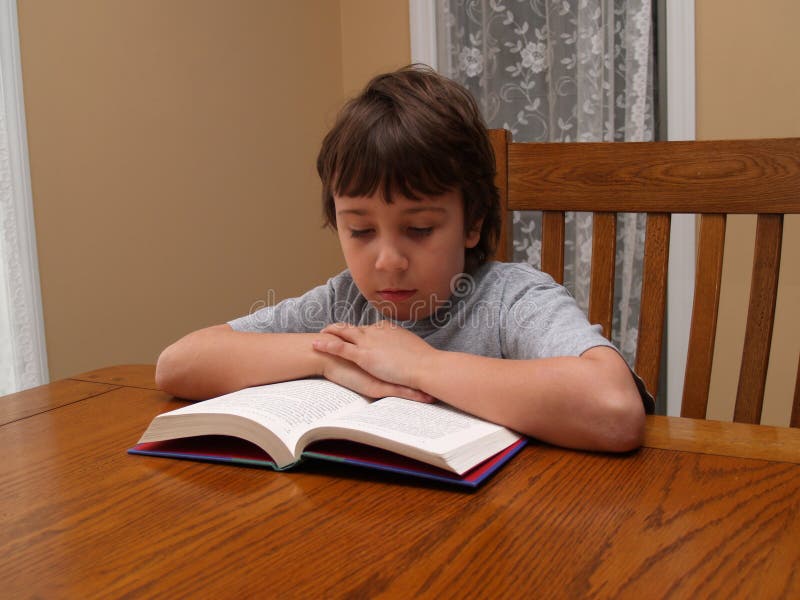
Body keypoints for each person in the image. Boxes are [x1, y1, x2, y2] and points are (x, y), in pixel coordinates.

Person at [156, 64, 653, 453]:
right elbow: (177, 364)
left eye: (419, 229)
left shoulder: (511, 299)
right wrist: (330, 359)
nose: (388, 260)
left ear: (473, 221)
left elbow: (613, 409)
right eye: (360, 229)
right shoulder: (344, 304)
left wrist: (420, 366)